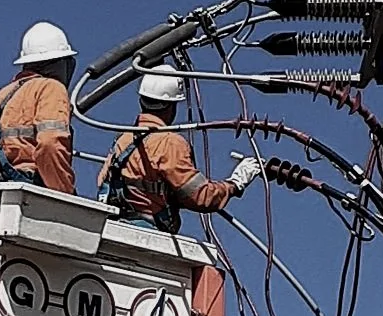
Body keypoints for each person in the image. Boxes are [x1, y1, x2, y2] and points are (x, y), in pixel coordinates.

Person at [97, 65, 261, 232]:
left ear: (142, 100)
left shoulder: (122, 140)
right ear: (171, 106)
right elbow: (201, 196)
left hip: (110, 227)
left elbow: (103, 184)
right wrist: (236, 182)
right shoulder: (169, 143)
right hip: (147, 235)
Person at [0, 22, 77, 193]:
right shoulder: (51, 88)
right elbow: (50, 144)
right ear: (60, 63)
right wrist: (64, 194)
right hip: (32, 194)